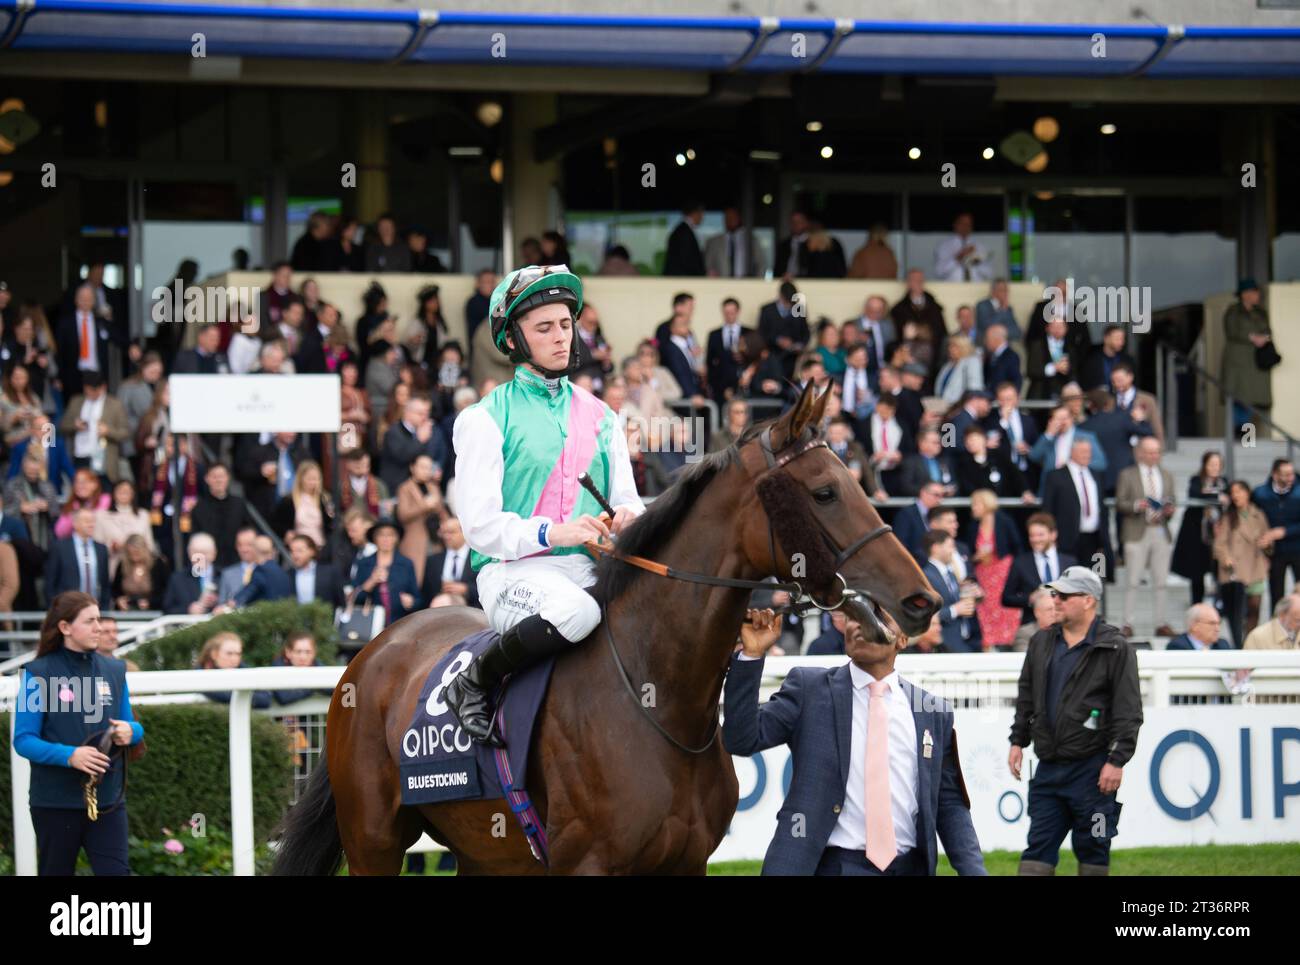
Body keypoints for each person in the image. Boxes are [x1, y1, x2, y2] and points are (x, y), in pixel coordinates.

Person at [445, 264, 645, 745]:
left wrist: (627, 519)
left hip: (590, 568)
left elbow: (628, 502)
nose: (560, 337)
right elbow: (479, 528)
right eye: (543, 328)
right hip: (511, 574)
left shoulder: (604, 418)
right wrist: (553, 533)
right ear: (513, 340)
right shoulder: (483, 419)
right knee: (580, 613)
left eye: (565, 324)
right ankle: (474, 681)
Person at [723, 607, 986, 876]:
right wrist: (751, 655)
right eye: (853, 616)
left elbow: (950, 803)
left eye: (878, 617)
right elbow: (741, 739)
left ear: (902, 639)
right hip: (832, 868)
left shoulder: (931, 711)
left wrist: (974, 871)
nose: (860, 624)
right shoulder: (809, 689)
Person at [1009, 566, 1142, 876]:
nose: (1056, 600)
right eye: (1055, 594)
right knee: (1037, 850)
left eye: (1064, 595)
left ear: (1088, 600)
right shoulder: (1040, 642)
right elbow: (1026, 695)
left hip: (1094, 772)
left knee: (1095, 850)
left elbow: (1129, 711)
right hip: (1048, 770)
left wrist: (1117, 760)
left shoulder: (1116, 647)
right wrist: (1018, 740)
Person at [13, 591, 144, 875]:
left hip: (108, 799)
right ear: (65, 627)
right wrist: (69, 755)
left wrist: (129, 731)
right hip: (55, 801)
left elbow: (133, 725)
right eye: (90, 621)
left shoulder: (114, 669)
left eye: (99, 619)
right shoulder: (37, 674)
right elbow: (23, 740)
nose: (99, 627)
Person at [1115, 437, 1177, 638]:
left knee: (1161, 581)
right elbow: (1120, 503)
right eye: (1150, 452)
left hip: (1160, 530)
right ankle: (1127, 623)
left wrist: (1169, 509)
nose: (1154, 456)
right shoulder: (1128, 474)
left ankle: (1160, 623)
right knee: (1133, 580)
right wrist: (1136, 505)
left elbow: (1172, 500)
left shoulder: (1166, 475)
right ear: (1140, 453)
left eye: (1157, 452)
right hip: (1136, 530)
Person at [1041, 438, 1113, 580]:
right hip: (1067, 540)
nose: (1087, 455)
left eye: (1089, 451)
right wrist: (1050, 535)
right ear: (1072, 452)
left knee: (1094, 583)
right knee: (1069, 582)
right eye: (1083, 451)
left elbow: (1102, 508)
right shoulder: (1056, 476)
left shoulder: (1096, 475)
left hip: (1095, 540)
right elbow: (1048, 509)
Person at [1214, 480, 1269, 648]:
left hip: (1254, 566)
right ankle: (1239, 644)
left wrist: (1267, 543)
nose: (1236, 495)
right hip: (1235, 570)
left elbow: (1266, 537)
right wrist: (1226, 558)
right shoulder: (1227, 517)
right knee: (1236, 612)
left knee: (1254, 608)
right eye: (1233, 492)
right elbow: (1219, 544)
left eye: (1239, 491)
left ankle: (1250, 643)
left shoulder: (1258, 514)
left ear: (1247, 492)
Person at [966, 488, 1024, 650]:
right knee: (985, 610)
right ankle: (989, 644)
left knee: (1005, 608)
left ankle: (1009, 643)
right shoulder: (973, 525)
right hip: (983, 574)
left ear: (985, 504)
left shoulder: (1004, 520)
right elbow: (969, 552)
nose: (974, 508)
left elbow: (1016, 546)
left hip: (1003, 572)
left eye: (976, 504)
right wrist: (977, 557)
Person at [1171, 451, 1228, 607]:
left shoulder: (1225, 482)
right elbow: (1196, 495)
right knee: (1197, 572)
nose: (1214, 468)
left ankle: (1220, 603)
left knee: (1219, 570)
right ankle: (1197, 604)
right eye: (1211, 464)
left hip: (1218, 533)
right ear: (1205, 465)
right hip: (1197, 534)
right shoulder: (1196, 480)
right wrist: (1217, 498)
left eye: (1217, 464)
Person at [1220, 277, 1274, 434]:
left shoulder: (1261, 312)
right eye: (1254, 291)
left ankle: (1246, 441)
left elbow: (1267, 331)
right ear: (1245, 294)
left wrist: (1264, 338)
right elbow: (1231, 330)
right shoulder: (1233, 311)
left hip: (1256, 365)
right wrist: (1252, 337)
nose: (1257, 295)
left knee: (1254, 404)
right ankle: (1240, 440)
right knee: (1240, 403)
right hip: (1238, 365)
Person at [1002, 512, 1077, 625]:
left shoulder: (1070, 562)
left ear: (1053, 534)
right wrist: (1030, 599)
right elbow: (1006, 598)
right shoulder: (1020, 563)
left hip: (1065, 625)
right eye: (1032, 535)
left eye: (1040, 535)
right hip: (1033, 625)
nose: (1035, 540)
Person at [351, 518, 419, 627]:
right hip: (369, 624)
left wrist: (411, 602)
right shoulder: (363, 563)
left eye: (391, 535)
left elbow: (418, 599)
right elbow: (354, 599)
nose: (386, 539)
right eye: (381, 535)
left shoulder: (406, 564)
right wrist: (371, 582)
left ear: (397, 538)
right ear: (375, 538)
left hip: (400, 625)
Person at [1252, 458, 1300, 613]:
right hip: (1274, 551)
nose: (1289, 478)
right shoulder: (1260, 494)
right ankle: (1276, 626)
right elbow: (1254, 518)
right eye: (1285, 474)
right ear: (1275, 474)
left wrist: (1284, 531)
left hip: (1297, 548)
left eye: (1291, 474)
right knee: (1276, 593)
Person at [189, 462, 255, 570]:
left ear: (228, 478)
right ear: (207, 479)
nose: (218, 480)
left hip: (236, 564)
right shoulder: (198, 508)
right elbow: (195, 541)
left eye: (222, 476)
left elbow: (248, 531)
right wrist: (198, 570)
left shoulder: (239, 504)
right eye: (214, 477)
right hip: (208, 567)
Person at [46, 508, 112, 611]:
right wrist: (56, 608)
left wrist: (104, 608)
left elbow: (105, 583)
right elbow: (50, 582)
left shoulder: (101, 549)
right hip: (67, 610)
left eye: (93, 521)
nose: (91, 524)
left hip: (95, 609)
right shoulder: (60, 547)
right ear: (75, 523)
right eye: (86, 521)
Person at [396, 453, 443, 585]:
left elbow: (442, 511)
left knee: (434, 577)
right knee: (416, 578)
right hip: (415, 540)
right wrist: (424, 506)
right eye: (422, 467)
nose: (426, 471)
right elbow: (403, 515)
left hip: (434, 540)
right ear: (412, 468)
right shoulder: (405, 488)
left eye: (429, 468)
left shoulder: (433, 487)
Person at [93, 479, 153, 578]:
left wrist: (136, 548)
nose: (124, 494)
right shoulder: (101, 516)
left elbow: (150, 545)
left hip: (138, 570)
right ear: (113, 493)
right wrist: (112, 547)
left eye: (128, 491)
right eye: (120, 491)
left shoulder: (143, 515)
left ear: (133, 494)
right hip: (113, 567)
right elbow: (97, 546)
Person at [4, 446, 61, 551]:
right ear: (24, 466)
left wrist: (47, 507)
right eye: (29, 469)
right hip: (20, 536)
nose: (32, 472)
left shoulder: (48, 486)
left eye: (35, 470)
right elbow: (4, 513)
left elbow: (56, 512)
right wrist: (20, 508)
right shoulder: (12, 485)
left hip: (44, 538)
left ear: (41, 468)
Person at [270, 458, 334, 550]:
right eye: (309, 479)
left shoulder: (325, 499)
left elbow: (331, 523)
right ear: (301, 478)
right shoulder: (288, 501)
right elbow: (276, 523)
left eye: (316, 479)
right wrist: (286, 533)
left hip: (321, 547)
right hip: (297, 548)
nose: (313, 482)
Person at [197, 631, 271, 708]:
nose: (234, 658)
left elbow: (265, 699)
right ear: (214, 654)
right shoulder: (199, 673)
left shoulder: (242, 669)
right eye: (229, 653)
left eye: (238, 654)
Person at [421, 515, 479, 609]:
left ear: (464, 532)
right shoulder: (433, 561)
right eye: (444, 533)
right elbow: (426, 593)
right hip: (440, 614)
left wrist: (466, 589)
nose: (446, 536)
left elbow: (488, 589)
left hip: (473, 613)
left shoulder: (478, 558)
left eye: (451, 532)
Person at [161, 531, 220, 615]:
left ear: (213, 554)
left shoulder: (225, 576)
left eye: (204, 552)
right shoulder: (178, 579)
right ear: (189, 553)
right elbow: (167, 609)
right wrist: (188, 610)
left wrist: (220, 605)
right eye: (196, 552)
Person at [110, 533, 168, 611]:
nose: (134, 558)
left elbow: (166, 591)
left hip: (153, 612)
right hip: (126, 611)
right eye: (130, 553)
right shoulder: (122, 565)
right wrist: (119, 600)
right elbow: (114, 590)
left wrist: (150, 602)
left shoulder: (157, 564)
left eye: (137, 553)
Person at [270, 630, 329, 705]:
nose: (303, 657)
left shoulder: (316, 664)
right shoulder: (278, 665)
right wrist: (314, 686)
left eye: (308, 652)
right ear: (288, 652)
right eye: (298, 651)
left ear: (314, 653)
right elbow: (284, 697)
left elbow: (334, 689)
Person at [287, 533, 344, 608]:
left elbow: (340, 601)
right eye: (292, 551)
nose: (295, 555)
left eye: (299, 550)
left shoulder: (329, 573)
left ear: (312, 551)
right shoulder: (288, 575)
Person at [933, 212, 992, 282]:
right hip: (953, 288)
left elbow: (989, 273)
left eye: (968, 224)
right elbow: (939, 272)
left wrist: (975, 260)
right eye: (962, 223)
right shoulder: (944, 246)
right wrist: (958, 258)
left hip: (976, 288)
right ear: (955, 224)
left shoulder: (980, 246)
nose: (965, 226)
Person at [935, 334, 982, 405]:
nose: (950, 349)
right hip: (942, 406)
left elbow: (974, 388)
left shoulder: (972, 362)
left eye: (954, 346)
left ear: (963, 347)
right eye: (949, 346)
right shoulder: (947, 365)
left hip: (959, 408)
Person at [663, 201, 706, 276]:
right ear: (695, 213)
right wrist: (704, 273)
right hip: (681, 281)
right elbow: (688, 261)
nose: (703, 217)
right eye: (702, 213)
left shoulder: (682, 230)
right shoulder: (684, 232)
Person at [1166, 604, 1232, 651]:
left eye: (1218, 623)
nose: (1217, 629)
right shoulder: (1177, 646)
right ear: (1195, 626)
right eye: (1212, 623)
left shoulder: (1222, 645)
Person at [1012, 587, 1057, 653]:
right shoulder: (1025, 633)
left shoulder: (1065, 631)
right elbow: (1024, 657)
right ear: (1037, 612)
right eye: (1049, 609)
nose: (1054, 613)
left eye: (1057, 609)